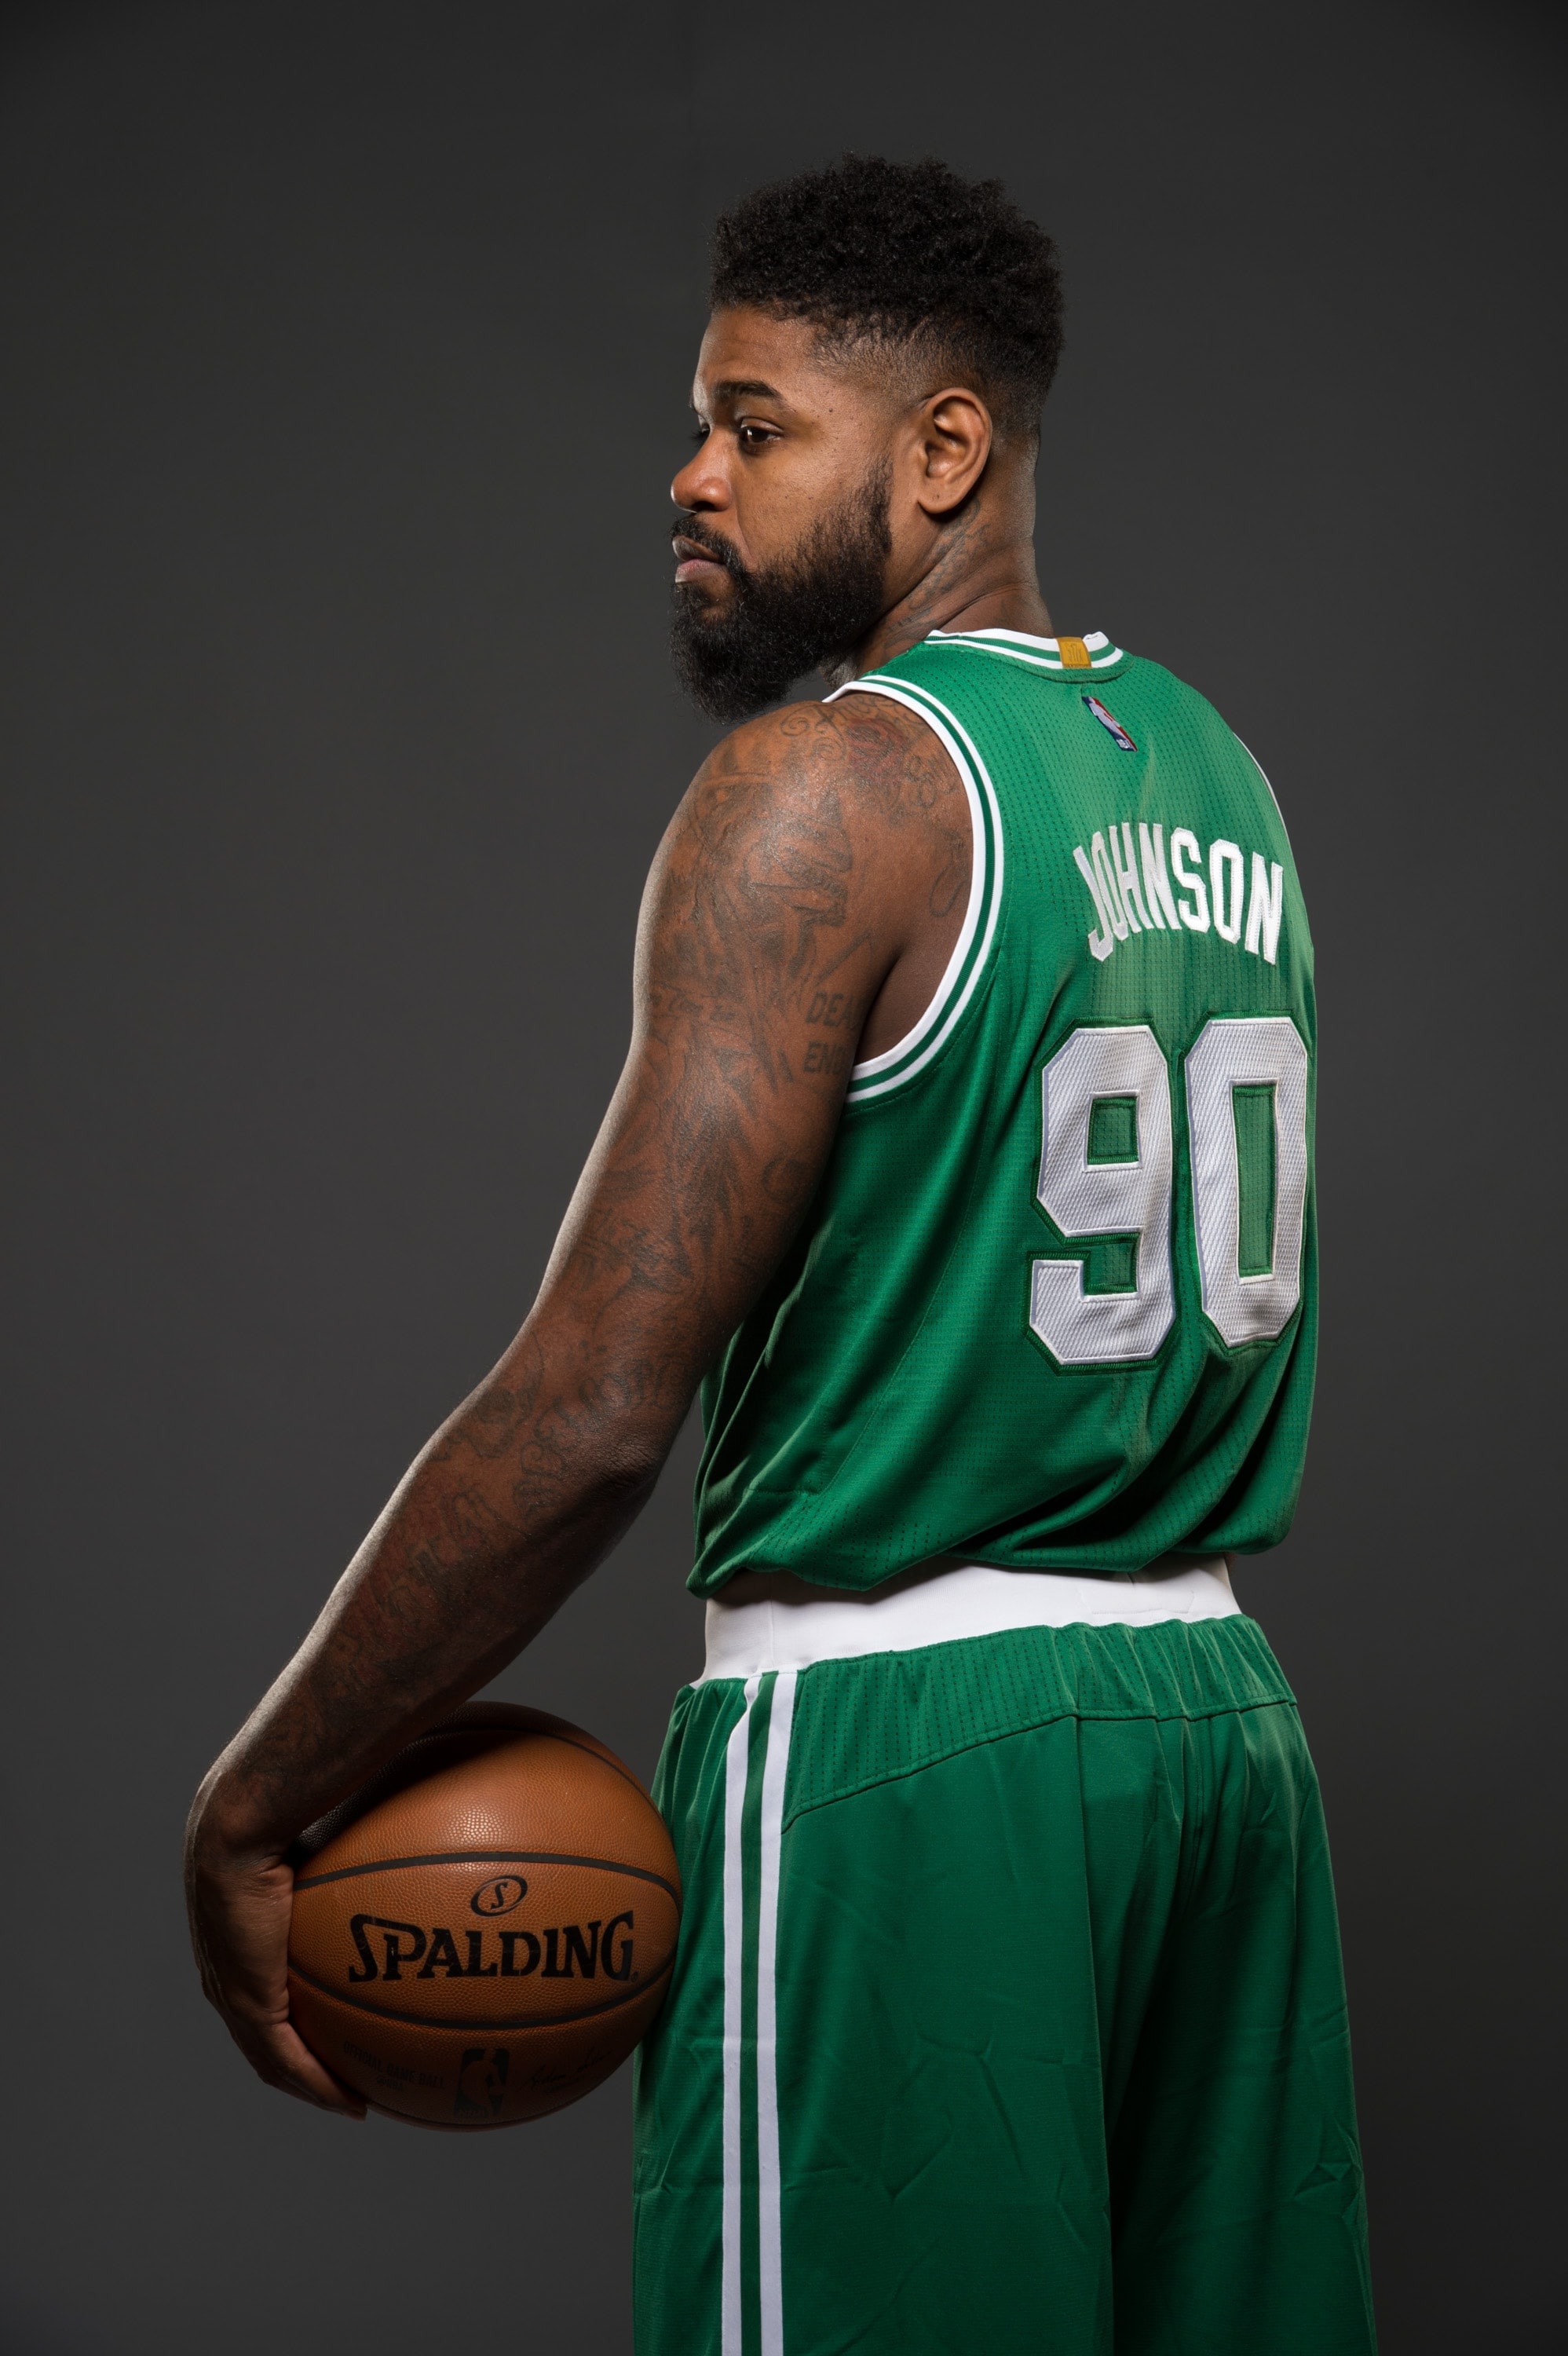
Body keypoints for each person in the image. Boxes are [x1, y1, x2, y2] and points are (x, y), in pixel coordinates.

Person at [186, 155, 1376, 2355]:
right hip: (1223, 1746)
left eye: (755, 425)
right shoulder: (1219, 776)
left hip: (908, 1770)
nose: (691, 475)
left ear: (943, 452)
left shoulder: (829, 792)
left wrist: (257, 1800)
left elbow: (595, 1401)